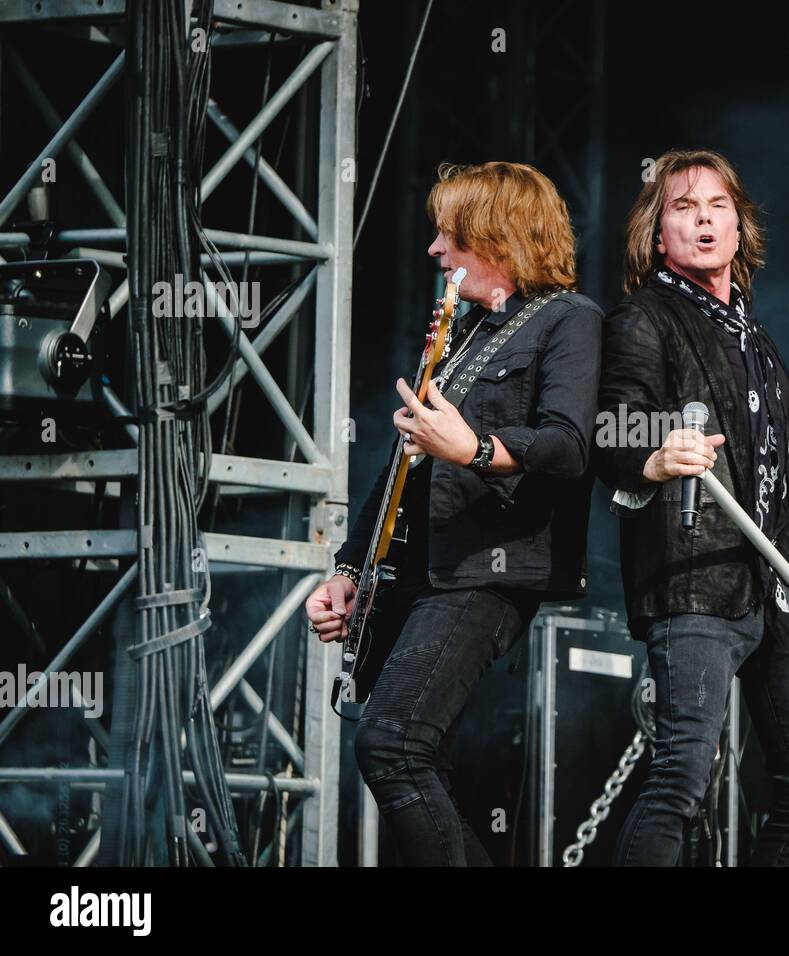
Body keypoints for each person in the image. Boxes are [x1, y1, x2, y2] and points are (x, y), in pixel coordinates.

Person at [304, 161, 602, 865]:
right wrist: (352, 567)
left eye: (450, 233)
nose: (436, 250)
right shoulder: (464, 333)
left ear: (495, 234)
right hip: (422, 570)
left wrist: (476, 447)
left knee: (393, 745)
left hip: (487, 573)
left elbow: (570, 446)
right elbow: (403, 464)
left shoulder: (570, 319)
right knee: (418, 758)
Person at [598, 148, 789, 866]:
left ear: (741, 228)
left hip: (777, 591)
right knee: (682, 774)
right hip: (694, 588)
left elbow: (784, 487)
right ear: (659, 236)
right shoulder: (644, 320)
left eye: (717, 205)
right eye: (683, 208)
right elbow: (610, 427)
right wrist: (654, 454)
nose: (703, 218)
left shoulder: (759, 343)